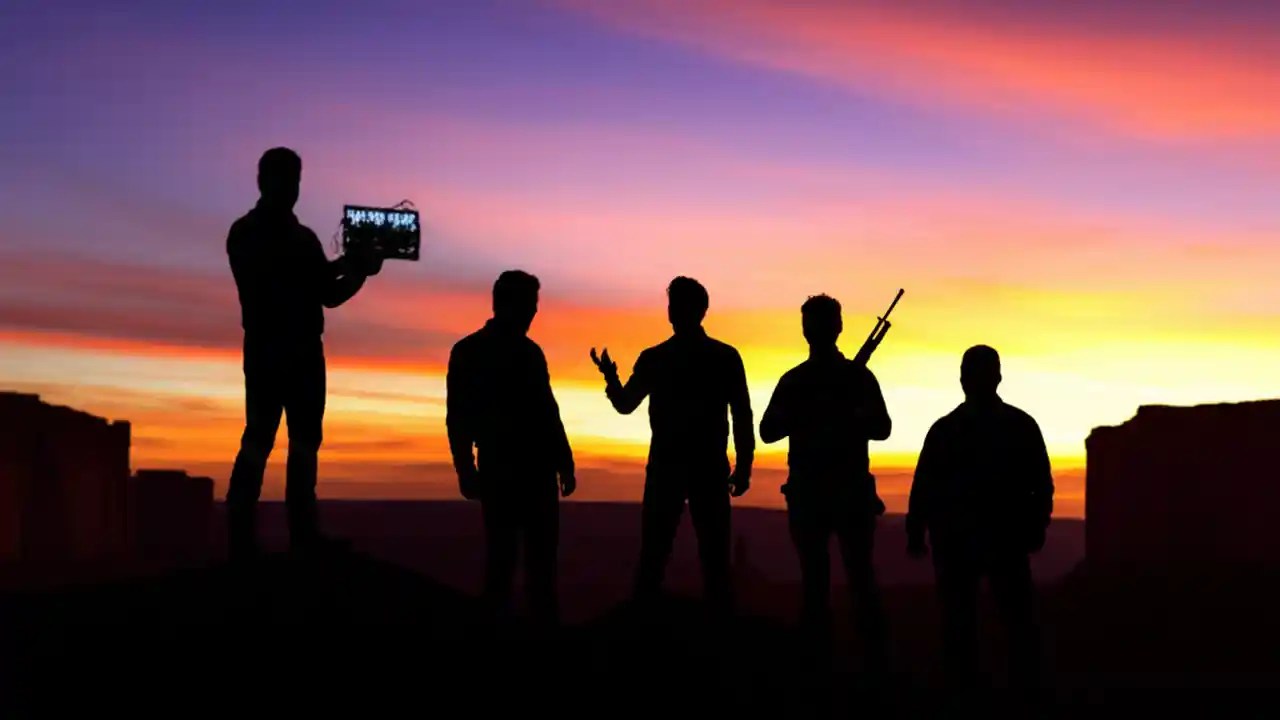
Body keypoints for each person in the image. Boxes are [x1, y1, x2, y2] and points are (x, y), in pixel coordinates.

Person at [225, 147, 381, 561]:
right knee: (260, 440)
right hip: (270, 351)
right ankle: (243, 539)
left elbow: (326, 293)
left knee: (304, 444)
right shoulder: (248, 233)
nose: (290, 188)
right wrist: (351, 266)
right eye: (282, 179)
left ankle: (302, 534)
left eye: (294, 179)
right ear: (264, 181)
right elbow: (298, 280)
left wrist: (358, 270)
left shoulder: (300, 238)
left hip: (304, 353)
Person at [590, 276, 753, 614]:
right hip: (704, 468)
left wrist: (611, 379)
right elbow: (742, 416)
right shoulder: (723, 357)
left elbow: (624, 403)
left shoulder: (657, 358)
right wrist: (745, 467)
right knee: (710, 556)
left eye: (675, 304)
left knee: (657, 552)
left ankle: (643, 627)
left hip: (669, 467)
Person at [906, 345, 1054, 690]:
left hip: (978, 540)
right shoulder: (1018, 425)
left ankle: (976, 692)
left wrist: (917, 531)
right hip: (992, 539)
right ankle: (1014, 691)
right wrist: (1037, 524)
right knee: (1007, 623)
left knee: (974, 624)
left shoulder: (946, 429)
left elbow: (924, 486)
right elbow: (1040, 483)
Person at [759, 294, 892, 670]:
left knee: (835, 582)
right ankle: (850, 666)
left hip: (829, 495)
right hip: (822, 495)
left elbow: (880, 427)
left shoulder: (805, 380)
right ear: (838, 328)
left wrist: (845, 413)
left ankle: (846, 665)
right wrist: (814, 412)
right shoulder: (812, 381)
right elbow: (770, 430)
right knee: (846, 582)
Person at [447, 270, 576, 625]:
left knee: (536, 565)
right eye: (530, 305)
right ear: (508, 305)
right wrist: (465, 468)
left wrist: (563, 461)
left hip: (531, 470)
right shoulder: (471, 352)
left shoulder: (525, 352)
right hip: (505, 468)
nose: (534, 314)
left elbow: (547, 411)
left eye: (534, 306)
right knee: (507, 563)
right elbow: (458, 417)